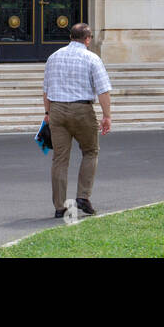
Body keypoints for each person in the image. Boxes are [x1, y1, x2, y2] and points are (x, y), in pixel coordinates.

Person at [42, 23, 112, 218]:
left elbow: (46, 90)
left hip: (56, 108)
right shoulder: (92, 58)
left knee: (60, 158)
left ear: (71, 37)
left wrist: (47, 113)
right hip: (82, 109)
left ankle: (59, 206)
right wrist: (107, 116)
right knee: (90, 151)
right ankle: (83, 195)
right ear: (88, 39)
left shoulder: (53, 57)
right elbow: (103, 90)